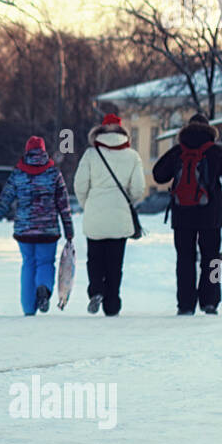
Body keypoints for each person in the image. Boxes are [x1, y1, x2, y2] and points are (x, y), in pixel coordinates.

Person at [151, 112, 222, 315]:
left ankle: (185, 304)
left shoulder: (178, 151)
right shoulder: (215, 151)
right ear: (210, 131)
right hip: (211, 215)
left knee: (184, 259)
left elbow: (158, 174)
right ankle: (211, 301)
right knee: (213, 259)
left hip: (182, 214)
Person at [0, 136, 75, 316]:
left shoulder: (18, 175)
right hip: (48, 230)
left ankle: (28, 307)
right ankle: (43, 289)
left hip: (24, 229)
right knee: (45, 262)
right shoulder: (53, 174)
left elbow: (4, 200)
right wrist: (68, 230)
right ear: (43, 152)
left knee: (28, 263)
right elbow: (63, 204)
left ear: (27, 152)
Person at [73, 113, 146, 317]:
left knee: (94, 258)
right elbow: (139, 188)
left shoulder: (90, 154)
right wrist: (127, 200)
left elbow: (79, 184)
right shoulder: (132, 156)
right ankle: (112, 303)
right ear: (123, 132)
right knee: (115, 262)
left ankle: (96, 290)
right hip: (119, 214)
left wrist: (87, 204)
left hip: (95, 212)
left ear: (100, 131)